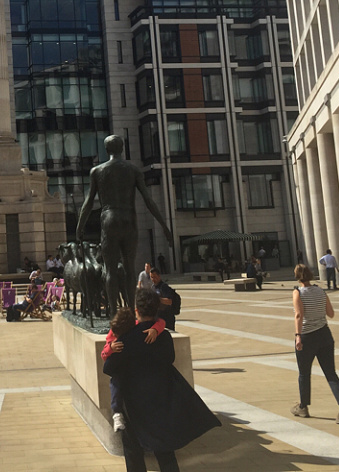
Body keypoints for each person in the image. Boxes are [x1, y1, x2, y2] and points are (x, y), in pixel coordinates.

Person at [103, 289, 220, 471]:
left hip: (132, 405)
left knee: (133, 452)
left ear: (136, 310)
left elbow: (108, 368)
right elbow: (169, 358)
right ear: (156, 310)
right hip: (159, 400)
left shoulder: (126, 339)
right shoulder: (163, 336)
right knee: (164, 450)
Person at [77, 135, 173, 316]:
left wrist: (80, 225)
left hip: (109, 218)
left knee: (110, 268)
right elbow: (148, 200)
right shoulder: (133, 170)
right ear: (123, 149)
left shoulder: (97, 171)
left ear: (106, 150)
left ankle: (114, 314)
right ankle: (130, 310)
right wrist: (164, 225)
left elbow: (88, 202)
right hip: (128, 218)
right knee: (130, 268)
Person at [292, 264, 339, 424]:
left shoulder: (297, 292)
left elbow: (299, 315)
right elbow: (331, 314)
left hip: (307, 336)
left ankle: (303, 407)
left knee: (304, 373)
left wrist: (298, 336)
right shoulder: (320, 291)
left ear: (297, 276)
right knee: (331, 373)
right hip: (324, 335)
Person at [101, 307, 165, 431]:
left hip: (136, 374)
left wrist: (155, 330)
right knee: (116, 382)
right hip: (121, 372)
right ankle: (117, 412)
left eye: (117, 335)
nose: (115, 336)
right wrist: (110, 348)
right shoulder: (113, 335)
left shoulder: (135, 328)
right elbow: (104, 356)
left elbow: (161, 322)